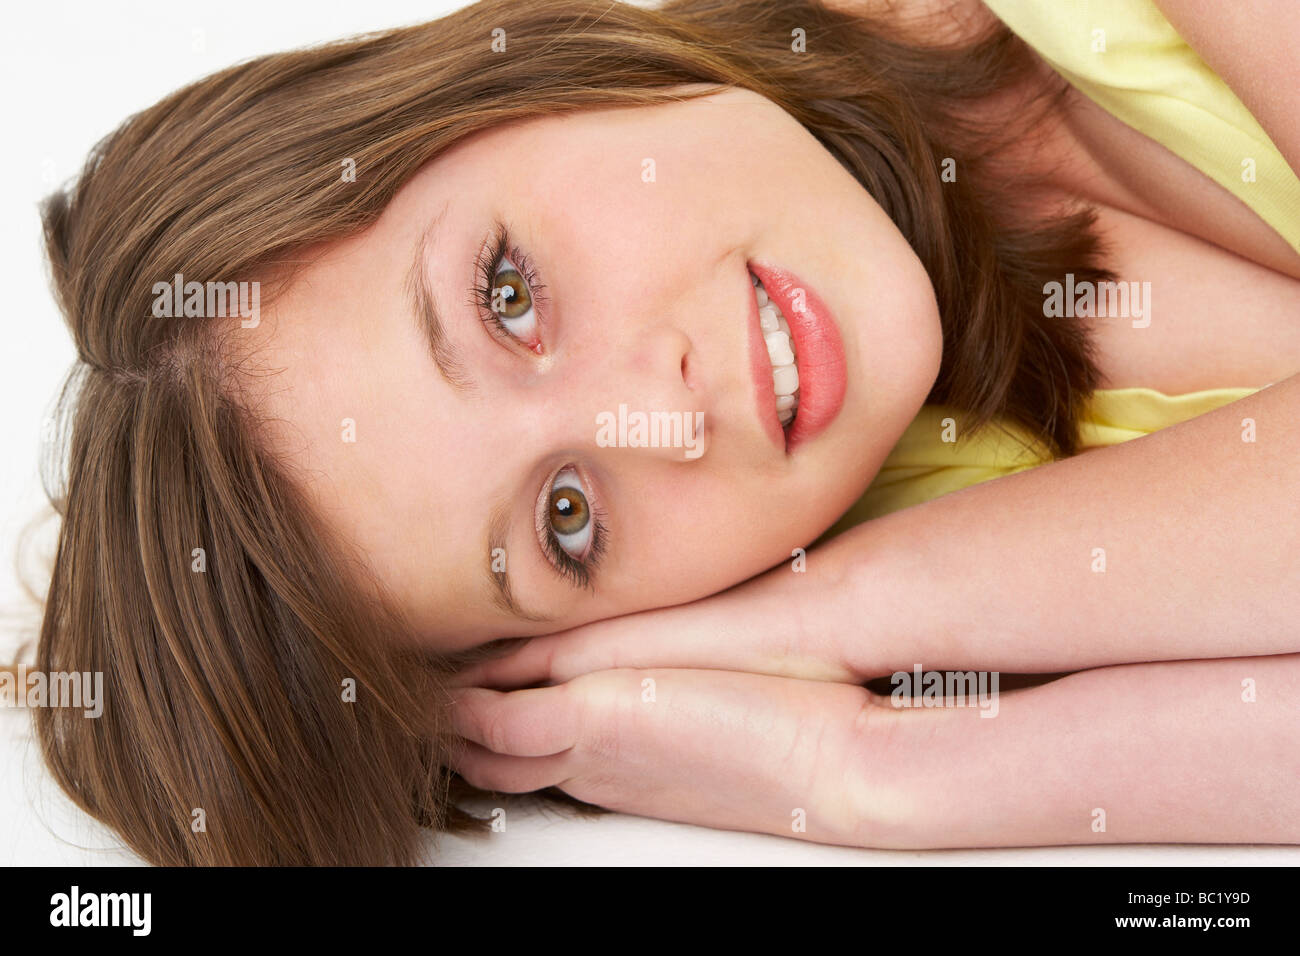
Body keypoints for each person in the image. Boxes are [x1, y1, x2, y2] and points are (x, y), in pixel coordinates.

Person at [31, 0, 1300, 864]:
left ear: (505, 75)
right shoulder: (949, 517)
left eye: (507, 293)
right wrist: (867, 760)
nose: (668, 409)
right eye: (565, 518)